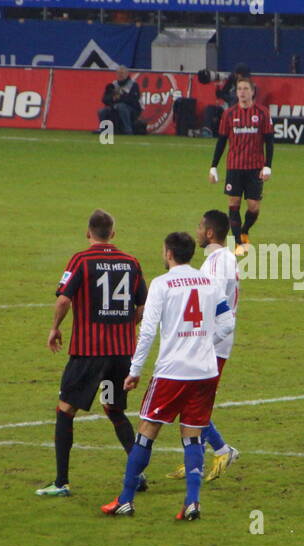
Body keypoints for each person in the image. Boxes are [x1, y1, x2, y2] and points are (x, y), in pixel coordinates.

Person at [102, 231, 235, 520]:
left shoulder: (162, 284)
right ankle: (192, 503)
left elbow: (147, 331)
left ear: (169, 253)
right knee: (193, 437)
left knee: (146, 433)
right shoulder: (210, 282)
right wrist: (202, 344)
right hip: (205, 372)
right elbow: (227, 323)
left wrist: (134, 371)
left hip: (172, 372)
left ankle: (125, 499)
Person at [36, 209, 148, 498]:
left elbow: (63, 300)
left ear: (89, 233)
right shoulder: (131, 263)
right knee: (114, 409)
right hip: (122, 354)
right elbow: (141, 308)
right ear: (113, 233)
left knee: (66, 409)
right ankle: (138, 475)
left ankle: (61, 482)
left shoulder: (81, 260)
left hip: (89, 353)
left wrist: (55, 328)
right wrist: (125, 326)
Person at [167, 210, 241, 482]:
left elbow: (216, 306)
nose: (197, 231)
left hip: (212, 344)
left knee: (191, 404)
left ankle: (222, 450)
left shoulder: (217, 263)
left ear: (210, 233)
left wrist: (200, 342)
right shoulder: (221, 259)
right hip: (210, 342)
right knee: (190, 403)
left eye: (200, 227)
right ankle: (197, 459)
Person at [209, 78, 274, 257]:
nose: (242, 92)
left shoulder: (262, 113)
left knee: (253, 207)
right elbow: (221, 141)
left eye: (246, 88)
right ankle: (238, 242)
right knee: (234, 203)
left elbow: (269, 141)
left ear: (253, 91)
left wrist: (268, 166)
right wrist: (213, 166)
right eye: (239, 89)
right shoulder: (229, 114)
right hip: (235, 167)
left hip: (255, 168)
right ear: (236, 92)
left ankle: (244, 230)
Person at [201, 63, 253, 137]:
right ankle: (207, 131)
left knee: (234, 103)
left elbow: (236, 99)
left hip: (240, 112)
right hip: (227, 108)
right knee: (209, 108)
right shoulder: (232, 80)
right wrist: (218, 89)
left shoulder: (250, 86)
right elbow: (222, 94)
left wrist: (226, 97)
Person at [97, 66, 142, 134]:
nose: (120, 75)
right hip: (116, 106)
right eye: (118, 73)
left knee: (121, 106)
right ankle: (104, 129)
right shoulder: (113, 85)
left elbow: (133, 99)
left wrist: (118, 99)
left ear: (127, 74)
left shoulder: (133, 84)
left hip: (132, 109)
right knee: (102, 111)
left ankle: (128, 129)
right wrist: (112, 99)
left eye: (122, 73)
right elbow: (104, 99)